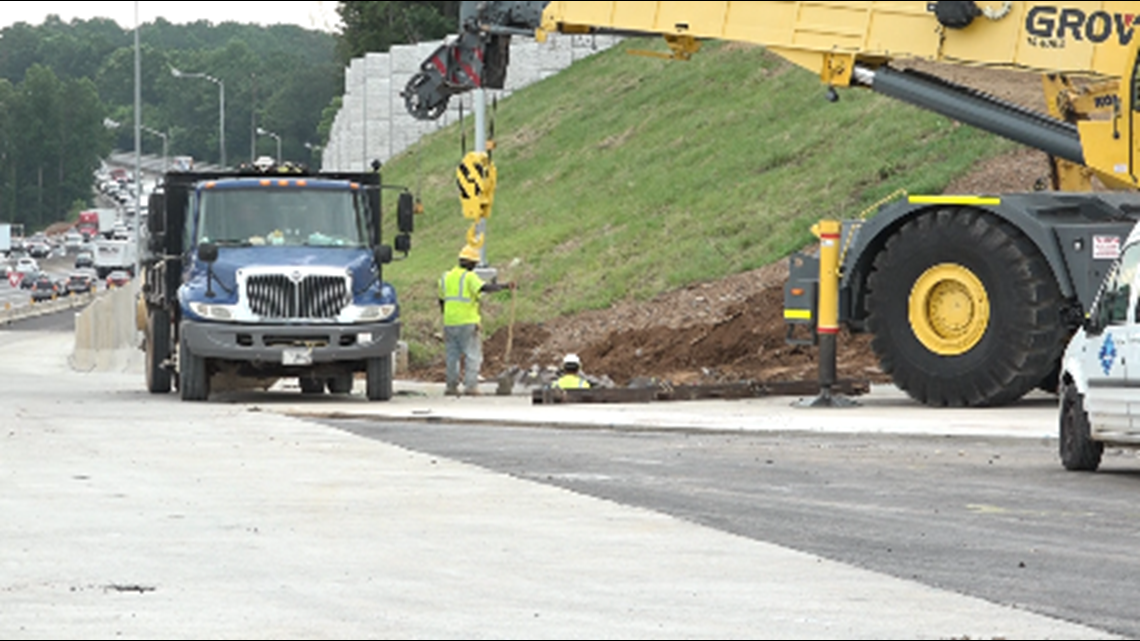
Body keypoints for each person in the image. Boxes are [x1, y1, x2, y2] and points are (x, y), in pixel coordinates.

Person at [439, 245, 516, 396]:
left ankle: (451, 387)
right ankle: (471, 387)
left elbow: (441, 300)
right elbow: (484, 288)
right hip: (467, 321)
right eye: (474, 264)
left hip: (449, 322)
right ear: (470, 263)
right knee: (472, 355)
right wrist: (505, 286)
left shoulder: (445, 276)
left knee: (452, 356)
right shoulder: (469, 277)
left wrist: (446, 316)